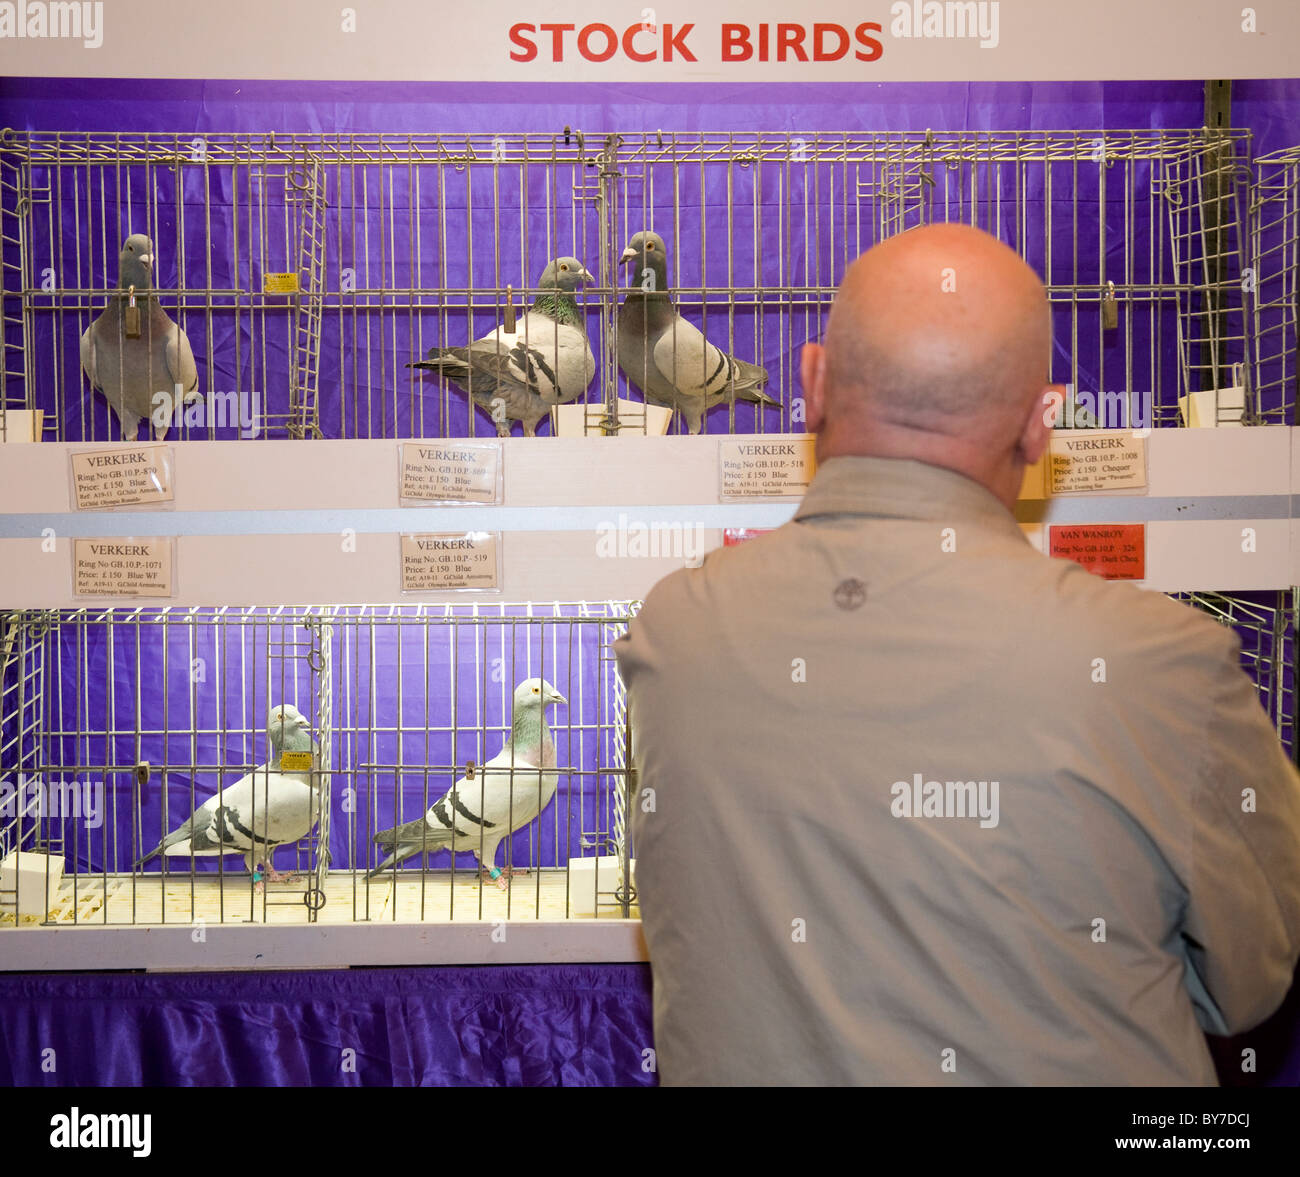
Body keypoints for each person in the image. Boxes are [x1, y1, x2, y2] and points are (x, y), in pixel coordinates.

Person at [615, 223, 1300, 1086]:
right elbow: (1253, 976)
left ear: (812, 383)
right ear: (1043, 423)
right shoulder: (1161, 665)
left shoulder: (673, 638)